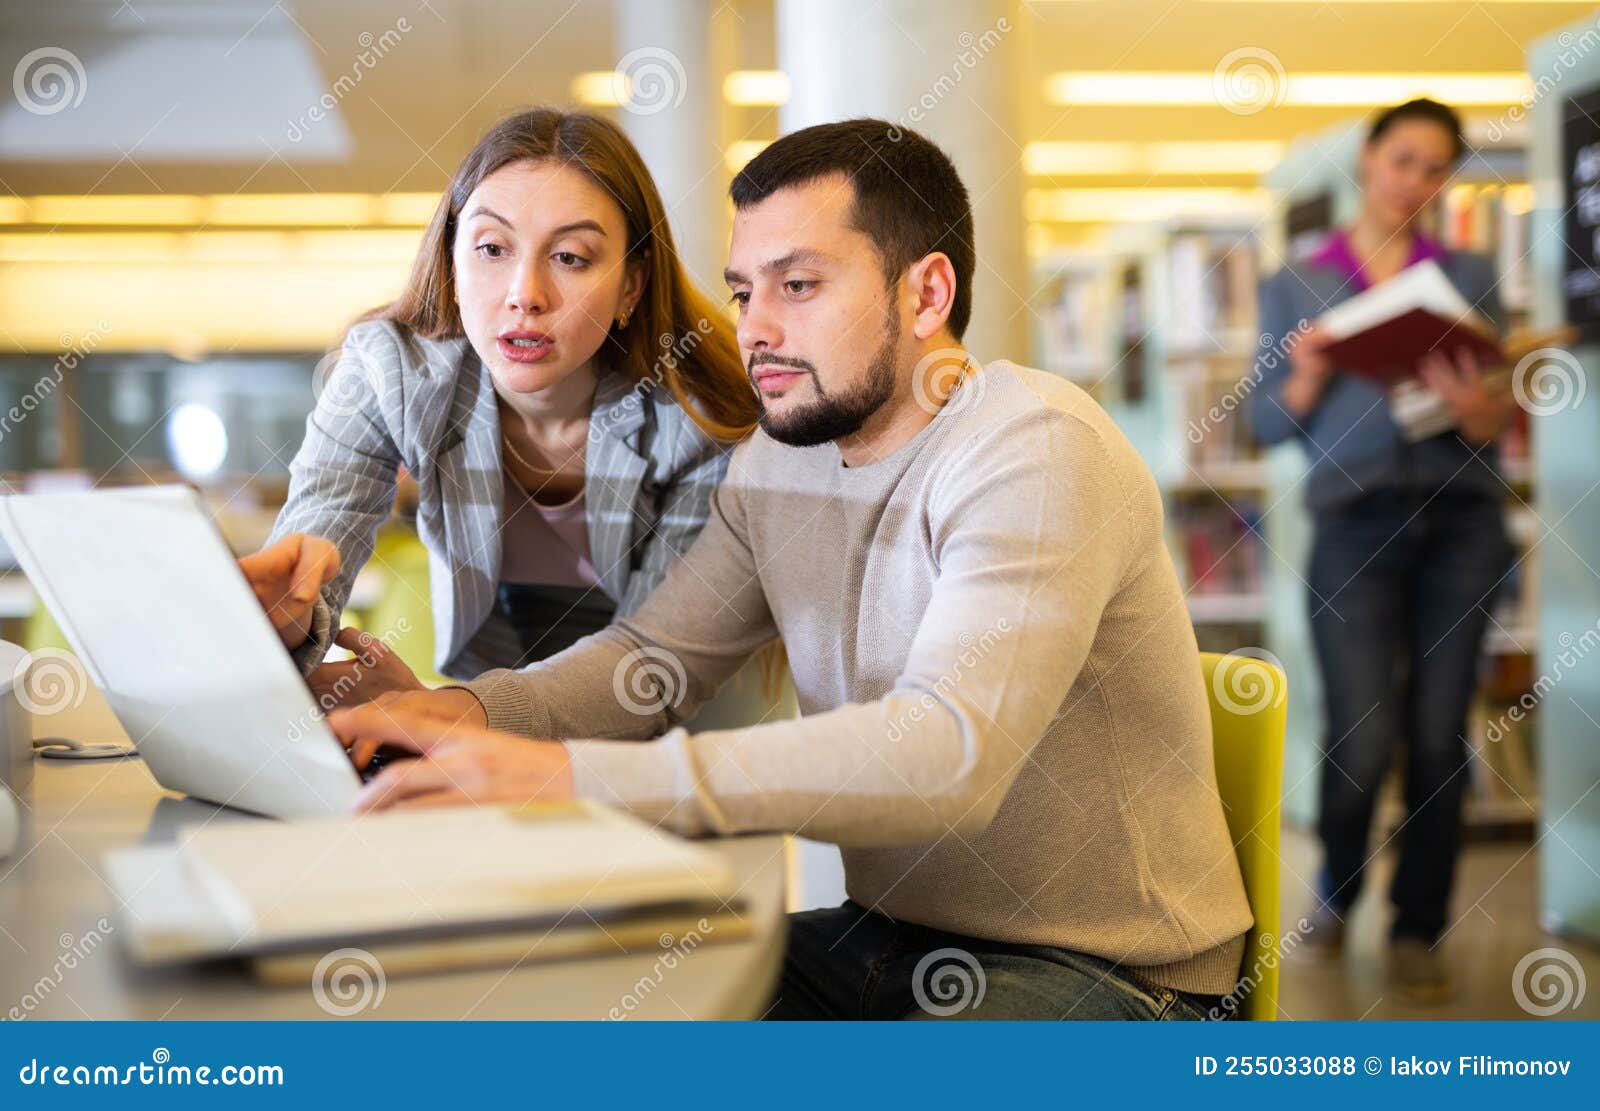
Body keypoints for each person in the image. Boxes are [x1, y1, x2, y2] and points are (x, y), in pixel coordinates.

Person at [323, 119, 1253, 1021]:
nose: (755, 328)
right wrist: (473, 713)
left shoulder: (1033, 450)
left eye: (798, 285)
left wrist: (563, 776)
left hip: (1119, 971)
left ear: (926, 295)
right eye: (742, 292)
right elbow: (652, 659)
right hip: (888, 935)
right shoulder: (782, 462)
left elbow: (947, 752)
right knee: (592, 1011)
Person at [239, 108, 757, 702]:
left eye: (570, 257)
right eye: (492, 248)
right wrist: (289, 607)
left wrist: (455, 711)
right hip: (494, 693)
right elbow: (318, 530)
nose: (524, 295)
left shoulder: (697, 419)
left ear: (631, 286)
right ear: (452, 263)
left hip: (682, 722)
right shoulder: (389, 372)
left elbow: (649, 669)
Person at [1248, 98, 1516, 1003]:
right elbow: (1262, 422)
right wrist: (1310, 373)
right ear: (1366, 159)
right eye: (1404, 159)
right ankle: (1339, 888)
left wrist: (1483, 410)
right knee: (1360, 735)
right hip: (1354, 525)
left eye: (1436, 169)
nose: (1417, 181)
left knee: (1437, 733)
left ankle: (1416, 925)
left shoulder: (1469, 271)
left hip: (1462, 525)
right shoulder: (1298, 281)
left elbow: (1496, 412)